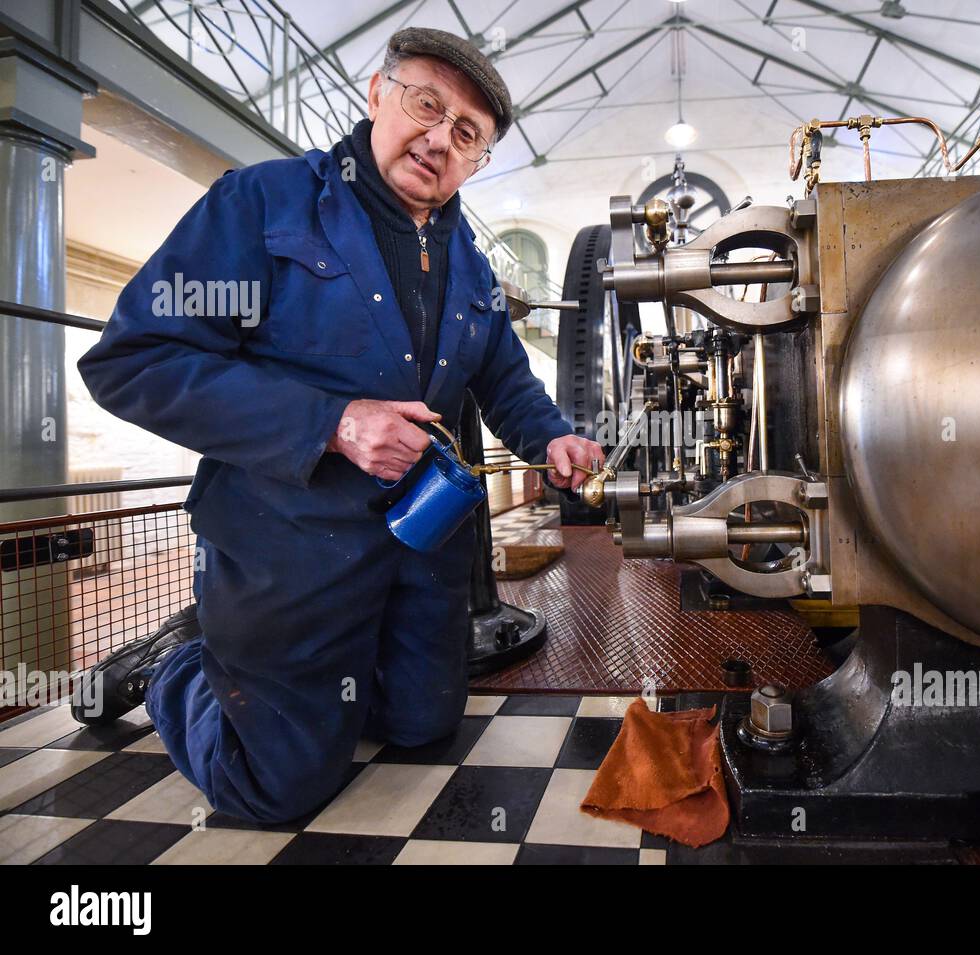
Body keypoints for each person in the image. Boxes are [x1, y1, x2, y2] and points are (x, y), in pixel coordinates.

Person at [75, 28, 602, 823]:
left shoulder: (468, 260)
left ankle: (305, 681)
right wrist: (332, 423)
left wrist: (552, 436)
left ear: (477, 160)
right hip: (289, 542)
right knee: (275, 787)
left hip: (419, 550)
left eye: (468, 134)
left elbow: (503, 379)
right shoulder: (262, 202)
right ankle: (180, 666)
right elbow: (131, 361)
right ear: (375, 93)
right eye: (428, 104)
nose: (439, 139)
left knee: (423, 727)